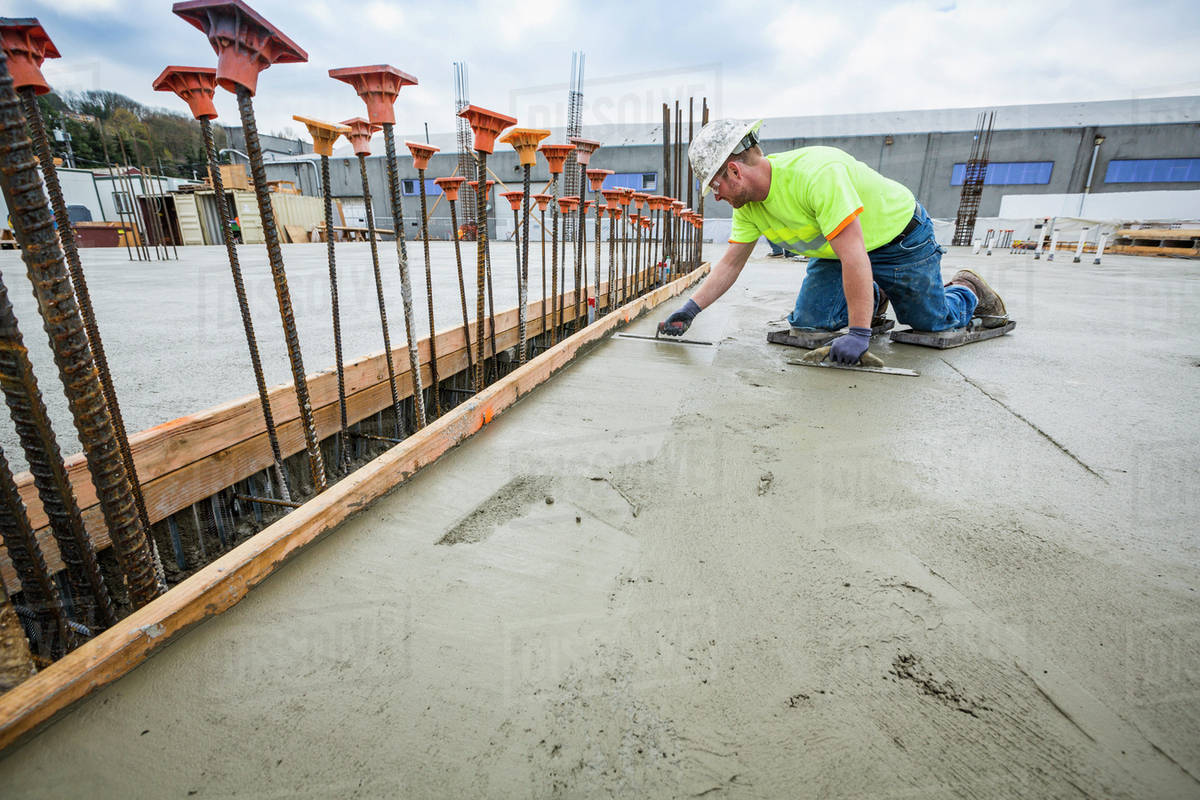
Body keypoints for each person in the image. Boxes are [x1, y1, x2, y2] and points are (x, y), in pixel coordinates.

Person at [657, 119, 1006, 364]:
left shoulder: (816, 175)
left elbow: (855, 254)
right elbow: (730, 264)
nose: (716, 196)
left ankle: (968, 290)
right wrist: (689, 310)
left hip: (899, 239)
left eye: (715, 186)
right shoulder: (747, 205)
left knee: (931, 323)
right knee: (809, 323)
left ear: (734, 170)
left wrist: (857, 332)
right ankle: (873, 296)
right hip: (836, 253)